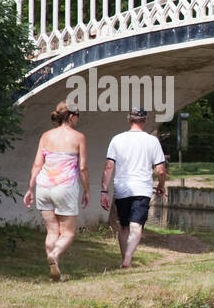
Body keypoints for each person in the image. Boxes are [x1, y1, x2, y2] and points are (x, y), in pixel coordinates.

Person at [23, 101, 88, 281]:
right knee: (68, 232)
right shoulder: (78, 137)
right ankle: (55, 254)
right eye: (77, 117)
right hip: (64, 188)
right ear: (72, 116)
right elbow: (82, 168)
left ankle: (55, 271)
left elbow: (37, 165)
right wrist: (87, 190)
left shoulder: (45, 136)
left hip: (44, 186)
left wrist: (30, 189)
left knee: (52, 231)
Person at [100, 108, 167, 269]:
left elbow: (109, 167)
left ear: (129, 119)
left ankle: (125, 260)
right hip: (142, 189)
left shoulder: (117, 139)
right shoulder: (152, 141)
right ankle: (127, 260)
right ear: (144, 120)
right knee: (136, 226)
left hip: (122, 188)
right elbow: (161, 170)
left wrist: (104, 190)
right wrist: (161, 185)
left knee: (123, 226)